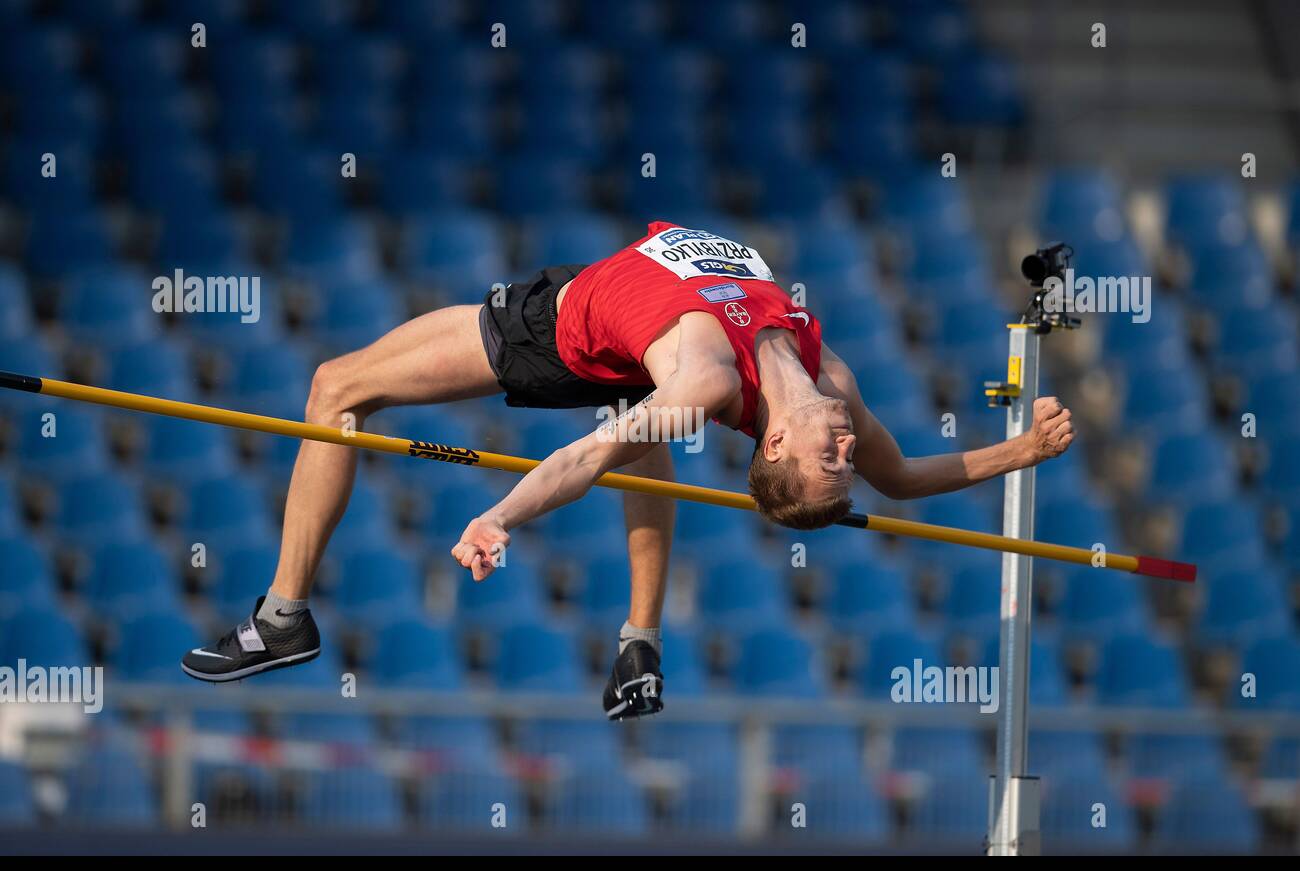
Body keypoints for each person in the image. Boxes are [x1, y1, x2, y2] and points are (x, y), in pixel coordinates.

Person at [182, 222, 1074, 720]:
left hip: (558, 332)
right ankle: (638, 641)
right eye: (844, 459)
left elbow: (586, 458)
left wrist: (500, 516)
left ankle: (282, 617)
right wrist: (1020, 447)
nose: (845, 449)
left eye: (826, 464)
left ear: (771, 446)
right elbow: (907, 476)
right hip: (619, 314)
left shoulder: (709, 381)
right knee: (642, 416)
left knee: (336, 387)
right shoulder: (830, 378)